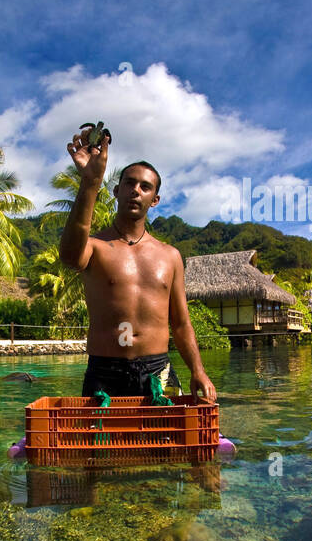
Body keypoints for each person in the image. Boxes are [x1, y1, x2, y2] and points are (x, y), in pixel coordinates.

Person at [59, 130, 215, 406]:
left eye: (145, 187)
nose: (136, 190)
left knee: (168, 448)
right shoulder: (94, 247)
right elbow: (70, 257)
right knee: (101, 448)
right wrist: (90, 182)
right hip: (104, 373)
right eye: (129, 184)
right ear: (117, 191)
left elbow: (180, 323)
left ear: (155, 199)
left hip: (159, 373)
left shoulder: (170, 256)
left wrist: (198, 370)